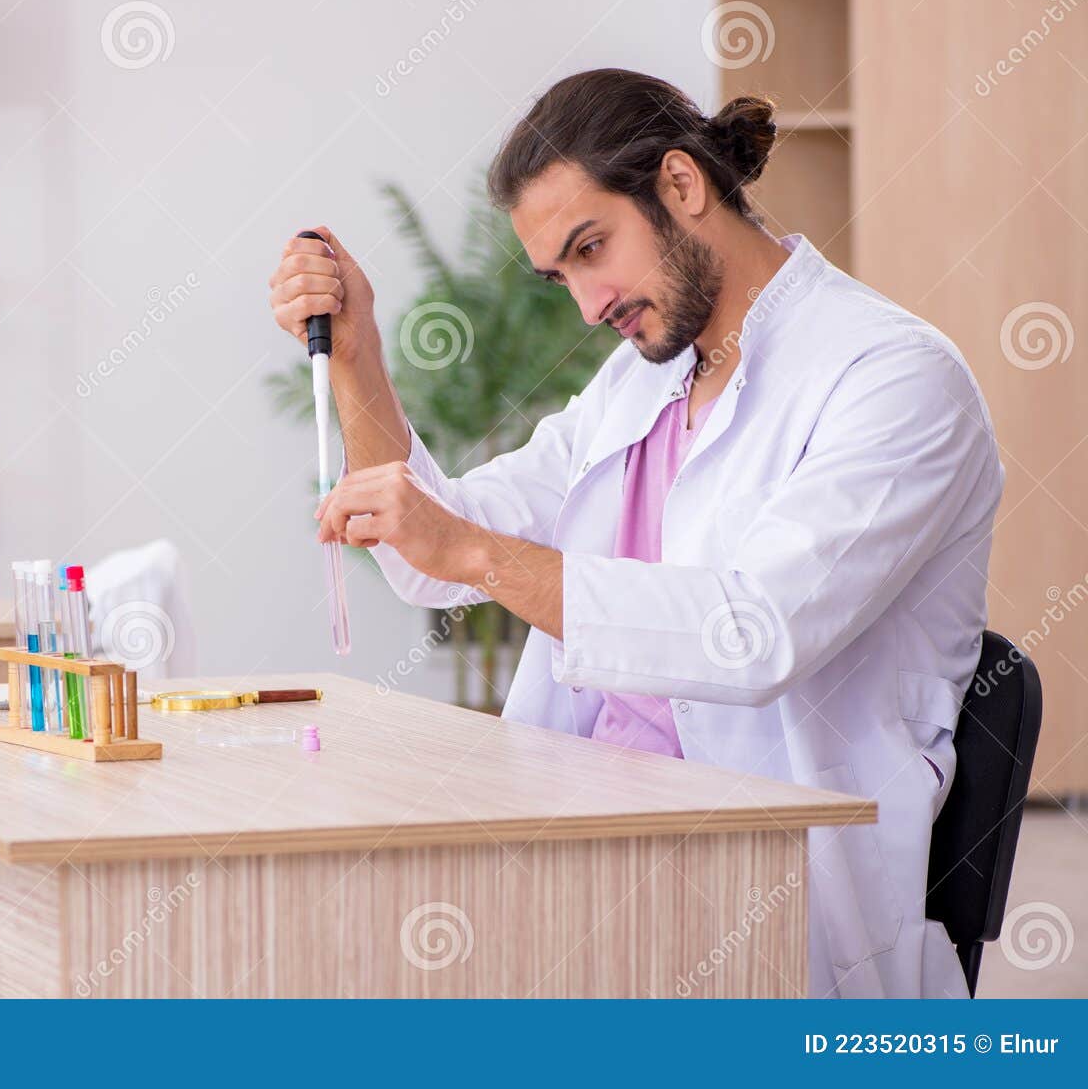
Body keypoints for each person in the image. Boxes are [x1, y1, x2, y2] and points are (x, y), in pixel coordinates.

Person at [267, 68, 1003, 998]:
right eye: (560, 274)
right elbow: (435, 560)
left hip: (758, 896)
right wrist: (359, 355)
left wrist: (476, 553)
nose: (586, 304)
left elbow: (753, 635)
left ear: (682, 186)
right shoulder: (644, 380)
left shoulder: (892, 378)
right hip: (588, 842)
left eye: (592, 248)